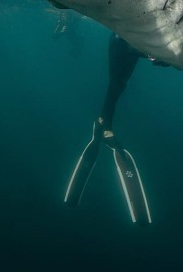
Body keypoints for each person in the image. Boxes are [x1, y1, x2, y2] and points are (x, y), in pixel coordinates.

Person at [64, 33, 152, 224]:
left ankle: (103, 126)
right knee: (117, 85)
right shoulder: (125, 40)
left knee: (117, 86)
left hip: (127, 40)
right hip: (126, 40)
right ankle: (104, 128)